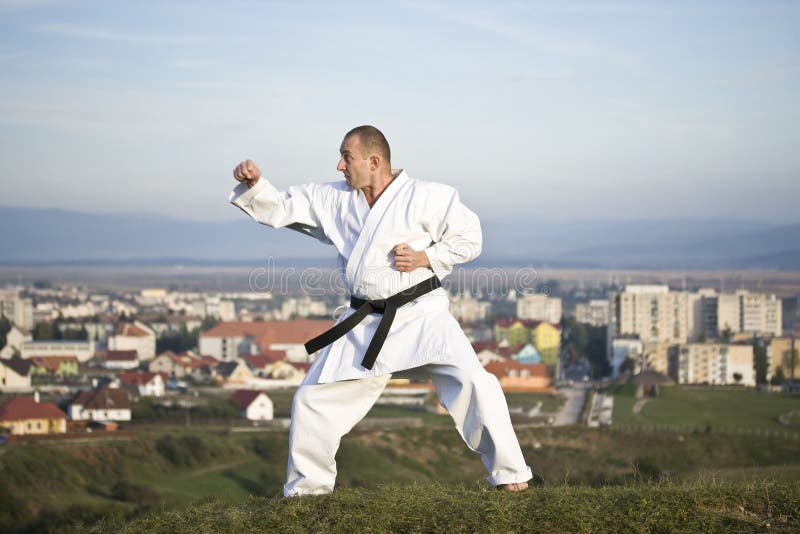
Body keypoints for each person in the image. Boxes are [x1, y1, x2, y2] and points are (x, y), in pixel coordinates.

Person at [230, 125, 532, 496]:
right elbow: (281, 207)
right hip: (364, 324)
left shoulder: (429, 196)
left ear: (374, 161)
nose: (339, 165)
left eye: (346, 156)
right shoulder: (333, 198)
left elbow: (471, 238)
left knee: (475, 383)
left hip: (422, 314)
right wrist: (257, 185)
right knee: (311, 400)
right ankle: (307, 492)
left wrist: (427, 256)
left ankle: (511, 475)